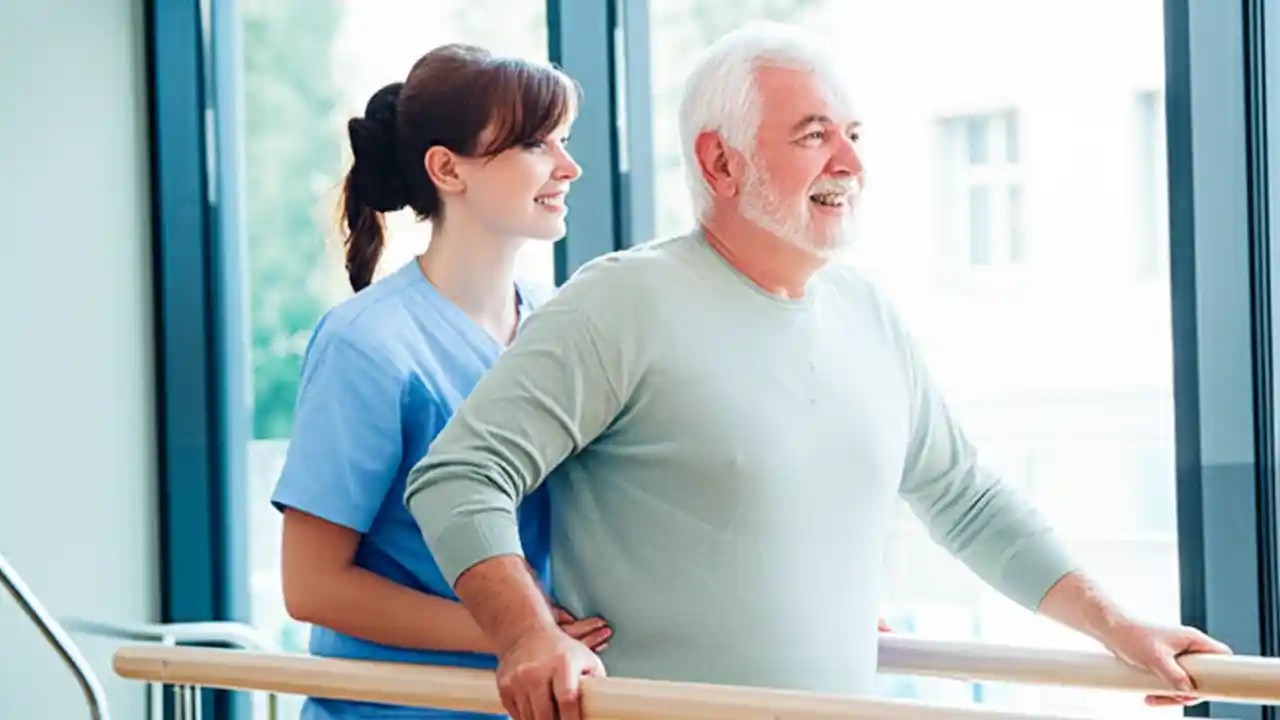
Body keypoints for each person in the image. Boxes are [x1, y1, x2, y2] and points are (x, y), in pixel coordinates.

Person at [402, 22, 1233, 720]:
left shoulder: (868, 314)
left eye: (854, 135)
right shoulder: (621, 303)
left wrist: (1121, 627)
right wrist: (523, 633)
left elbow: (968, 502)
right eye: (813, 136)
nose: (851, 164)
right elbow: (460, 476)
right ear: (721, 165)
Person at [270, 44, 611, 720]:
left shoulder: (560, 325)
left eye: (564, 141)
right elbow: (312, 587)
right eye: (536, 144)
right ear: (447, 168)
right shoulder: (366, 345)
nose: (568, 168)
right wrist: (517, 629)